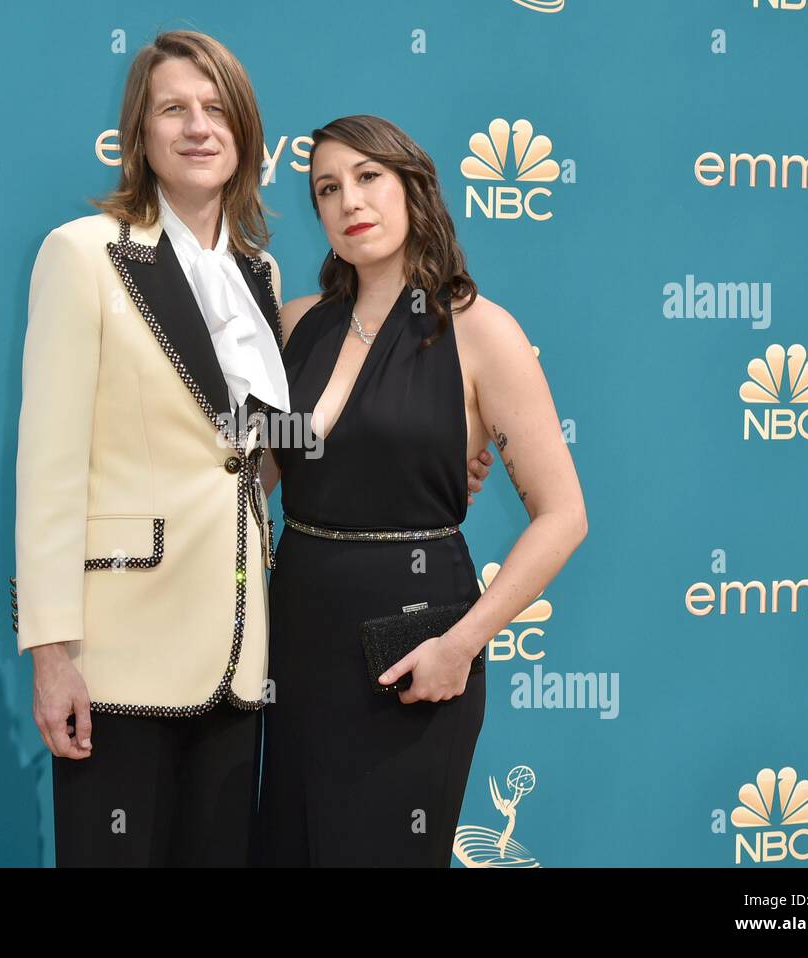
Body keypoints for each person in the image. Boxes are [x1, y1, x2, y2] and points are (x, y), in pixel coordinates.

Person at [13, 33, 492, 867]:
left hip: (246, 654)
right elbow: (47, 468)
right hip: (121, 653)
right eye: (173, 109)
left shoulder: (260, 276)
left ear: (246, 133)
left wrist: (425, 458)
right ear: (141, 133)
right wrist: (52, 655)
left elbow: (255, 447)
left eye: (215, 109)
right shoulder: (82, 254)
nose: (198, 128)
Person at [253, 115, 588, 867]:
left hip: (418, 646)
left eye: (369, 177)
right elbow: (253, 486)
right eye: (327, 189)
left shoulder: (479, 329)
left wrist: (462, 644)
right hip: (298, 640)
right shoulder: (296, 326)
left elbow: (563, 516)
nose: (349, 201)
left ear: (413, 189)